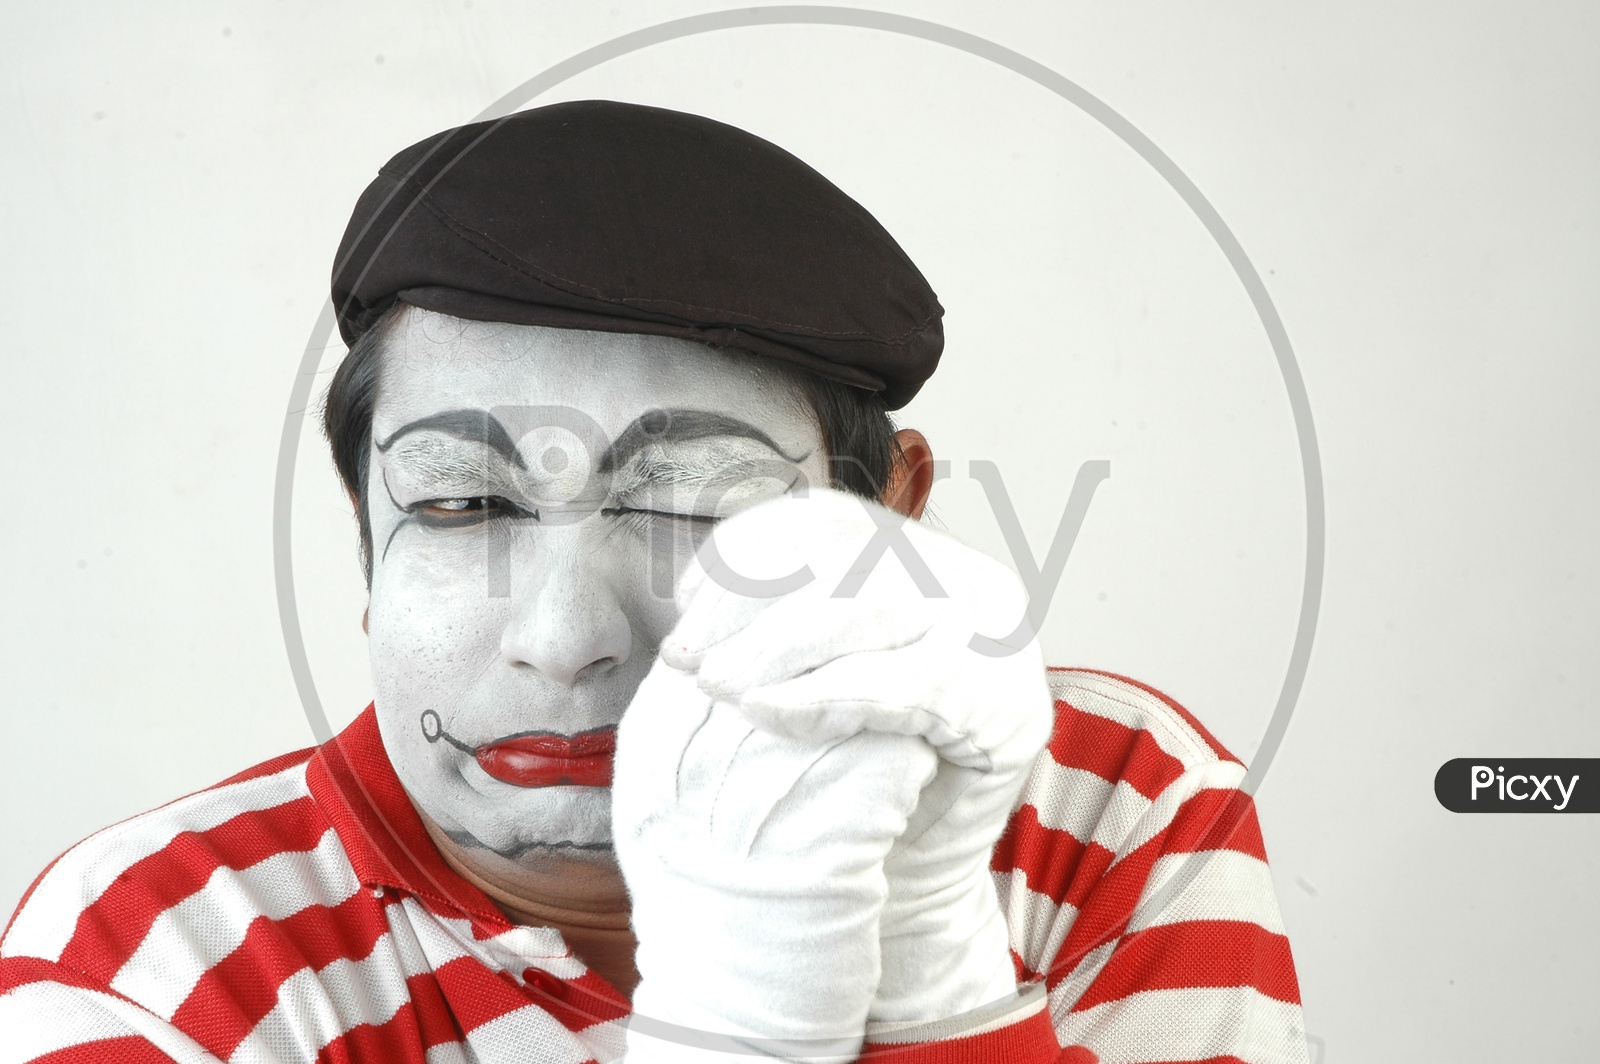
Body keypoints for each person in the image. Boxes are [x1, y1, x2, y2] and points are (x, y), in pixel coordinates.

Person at [0, 100, 1308, 1064]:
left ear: (894, 524)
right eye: (461, 502)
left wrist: (921, 946)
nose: (564, 639)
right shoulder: (152, 959)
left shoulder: (1108, 804)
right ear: (365, 525)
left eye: (691, 506)